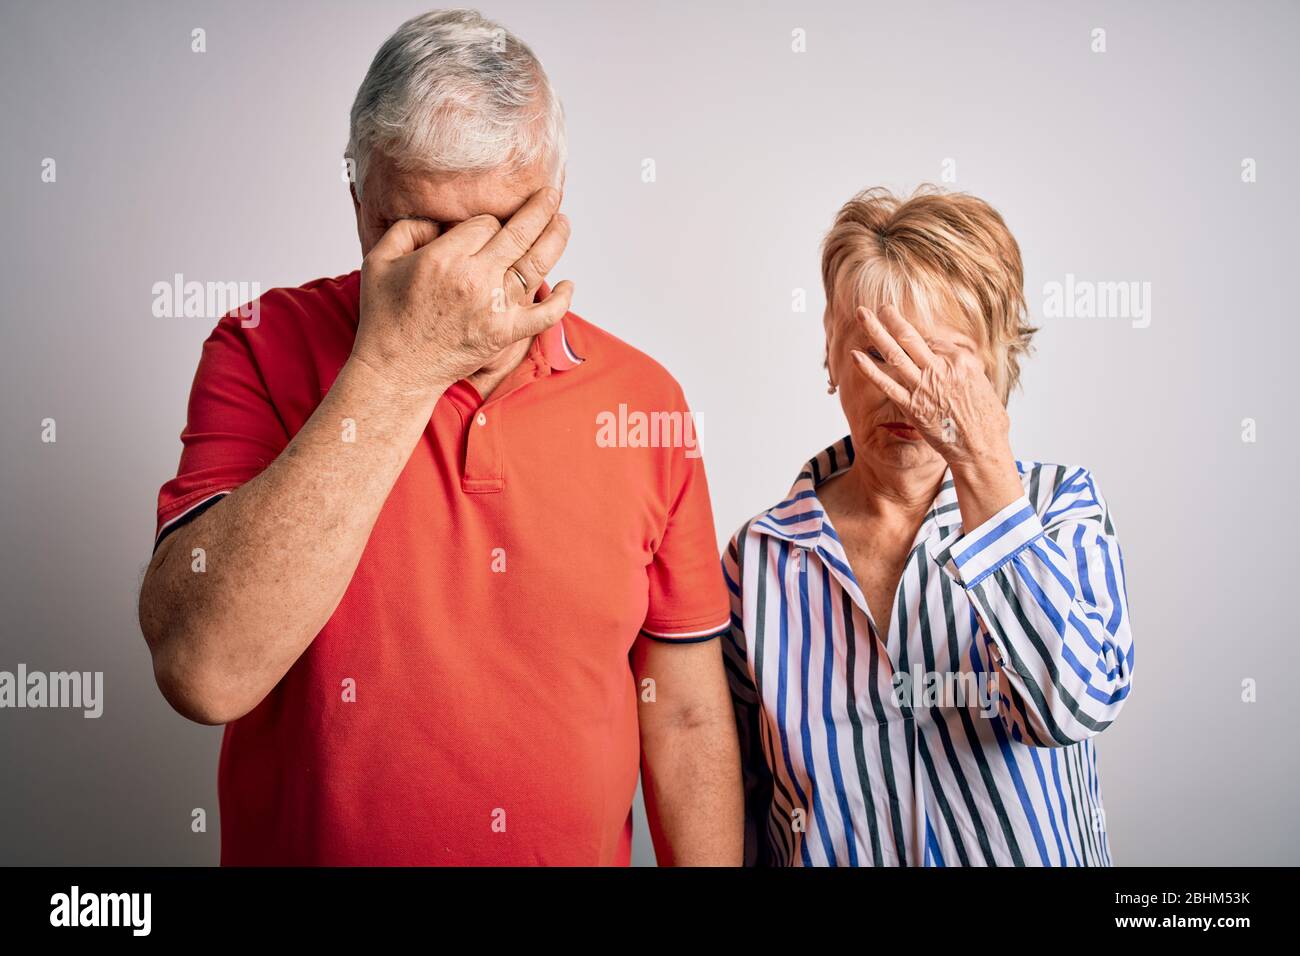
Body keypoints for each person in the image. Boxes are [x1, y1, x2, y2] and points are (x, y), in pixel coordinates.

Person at [138, 9, 742, 866]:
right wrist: (397, 368)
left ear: (553, 205)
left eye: (496, 230)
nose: (458, 276)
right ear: (357, 200)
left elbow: (682, 714)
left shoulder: (645, 403)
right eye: (415, 232)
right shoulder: (261, 344)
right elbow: (204, 672)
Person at [723, 186, 1134, 866]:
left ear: (995, 365)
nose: (902, 392)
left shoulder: (1061, 508)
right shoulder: (759, 559)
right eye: (876, 354)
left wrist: (984, 470)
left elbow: (1074, 709)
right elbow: (734, 791)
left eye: (936, 362)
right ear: (831, 355)